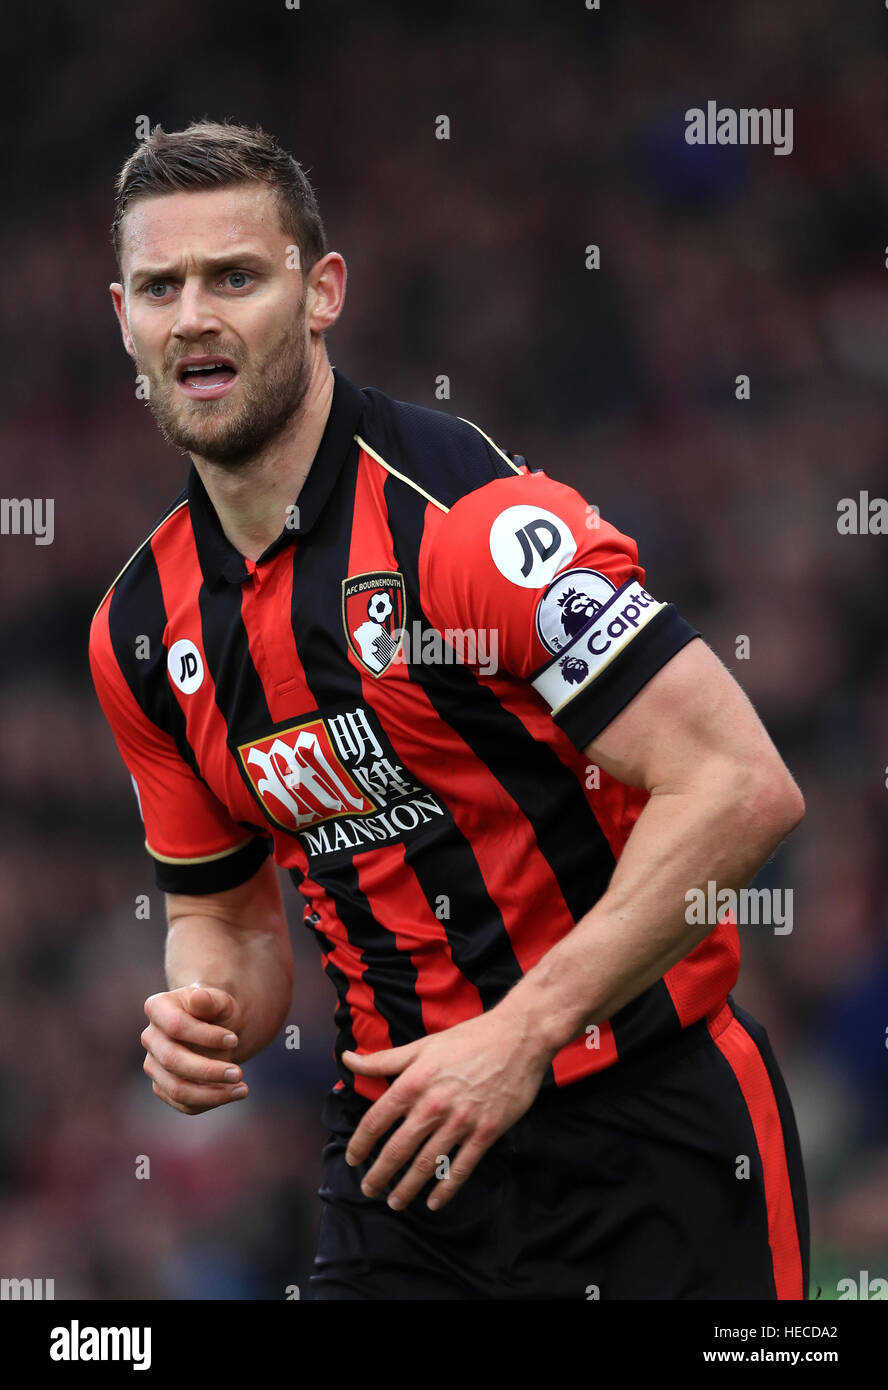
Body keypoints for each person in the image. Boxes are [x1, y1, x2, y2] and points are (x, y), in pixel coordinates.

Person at [89, 119, 809, 1300]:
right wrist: (205, 1008)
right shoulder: (135, 629)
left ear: (322, 293)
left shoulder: (472, 523)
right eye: (161, 287)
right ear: (123, 318)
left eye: (236, 276)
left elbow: (740, 788)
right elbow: (231, 918)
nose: (195, 316)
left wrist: (524, 1032)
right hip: (402, 1160)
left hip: (654, 1141)